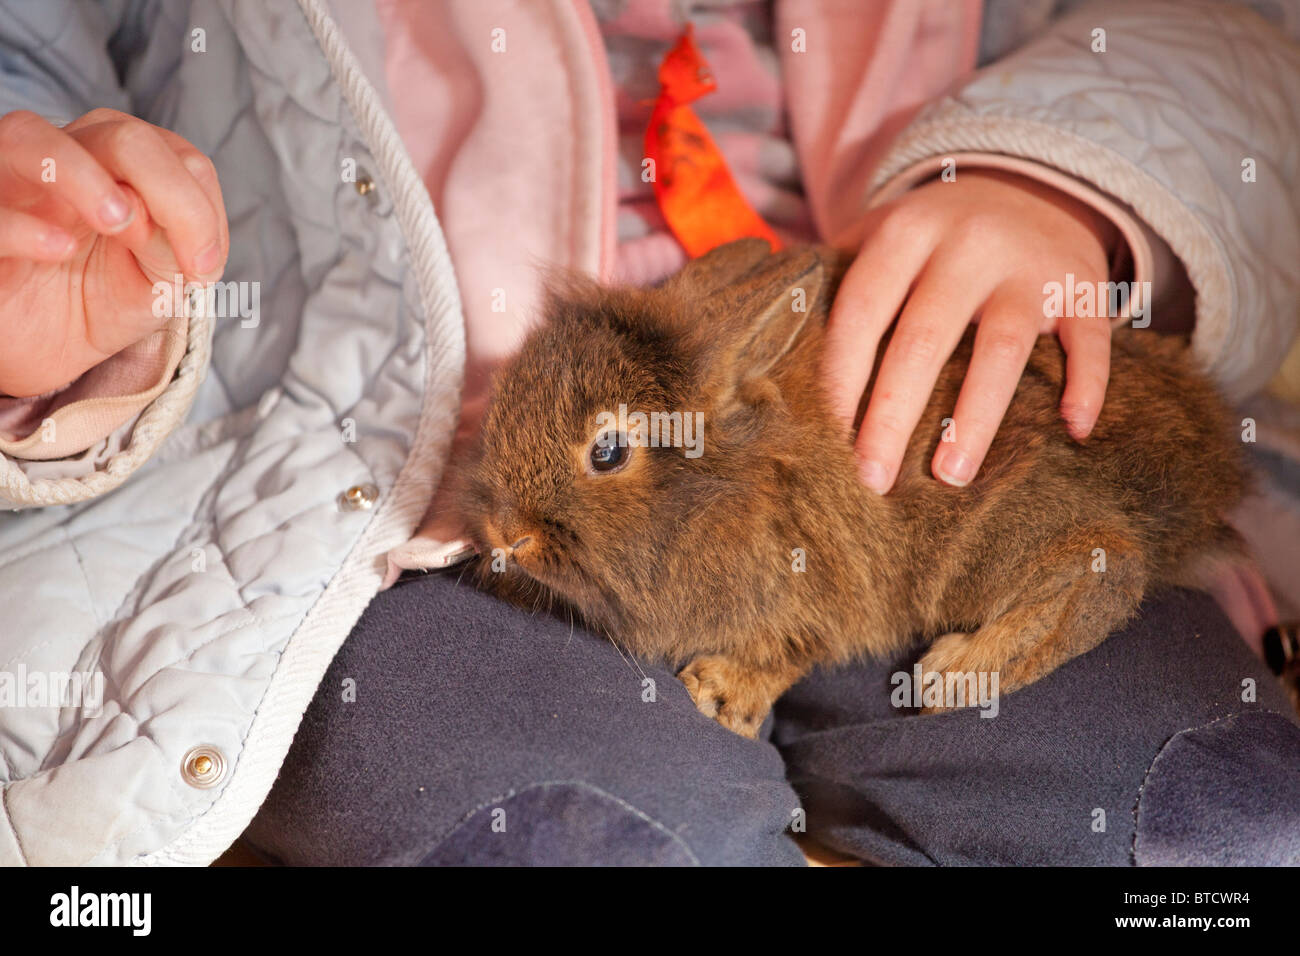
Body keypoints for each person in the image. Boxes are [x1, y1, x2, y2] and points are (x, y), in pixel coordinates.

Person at [0, 0, 1297, 866]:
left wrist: (1062, 182)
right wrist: (68, 247)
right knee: (559, 833)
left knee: (1203, 825)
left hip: (904, 394)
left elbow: (1223, 37)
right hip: (385, 475)